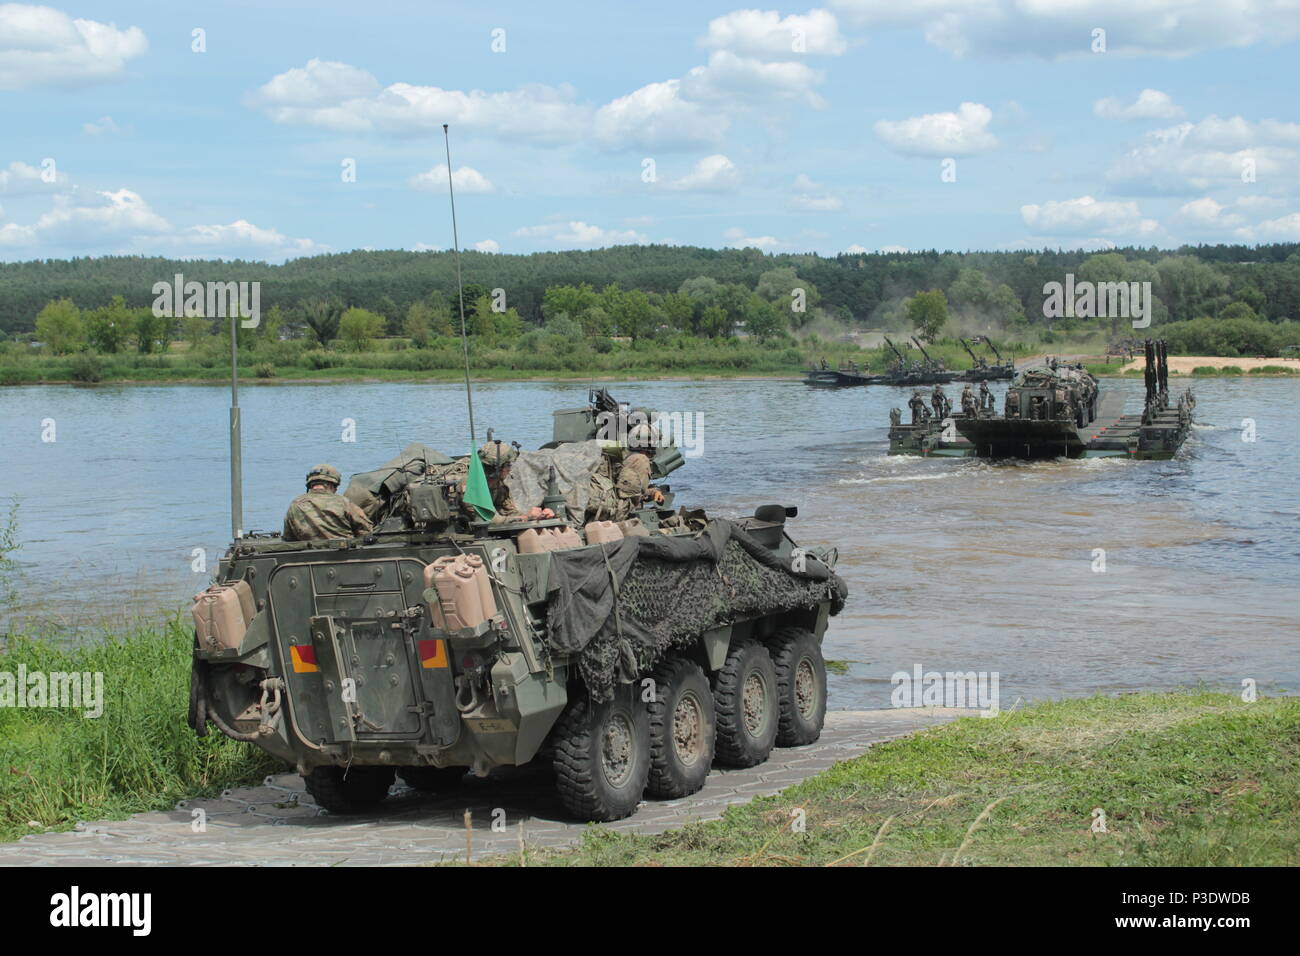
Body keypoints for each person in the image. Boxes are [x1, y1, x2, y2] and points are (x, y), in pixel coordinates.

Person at [460, 440, 553, 524]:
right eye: (508, 465)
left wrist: (538, 516)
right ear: (497, 468)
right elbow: (489, 519)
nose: (510, 469)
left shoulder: (499, 485)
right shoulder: (471, 487)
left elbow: (509, 511)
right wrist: (526, 517)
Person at [283, 464, 374, 541]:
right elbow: (366, 530)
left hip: (309, 556)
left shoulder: (295, 504)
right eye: (336, 487)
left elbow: (289, 538)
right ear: (331, 485)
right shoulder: (343, 502)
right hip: (344, 554)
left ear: (310, 484)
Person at [615, 423, 665, 518]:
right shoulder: (641, 460)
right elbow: (639, 493)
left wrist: (653, 492)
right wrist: (653, 492)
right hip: (622, 511)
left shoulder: (627, 456)